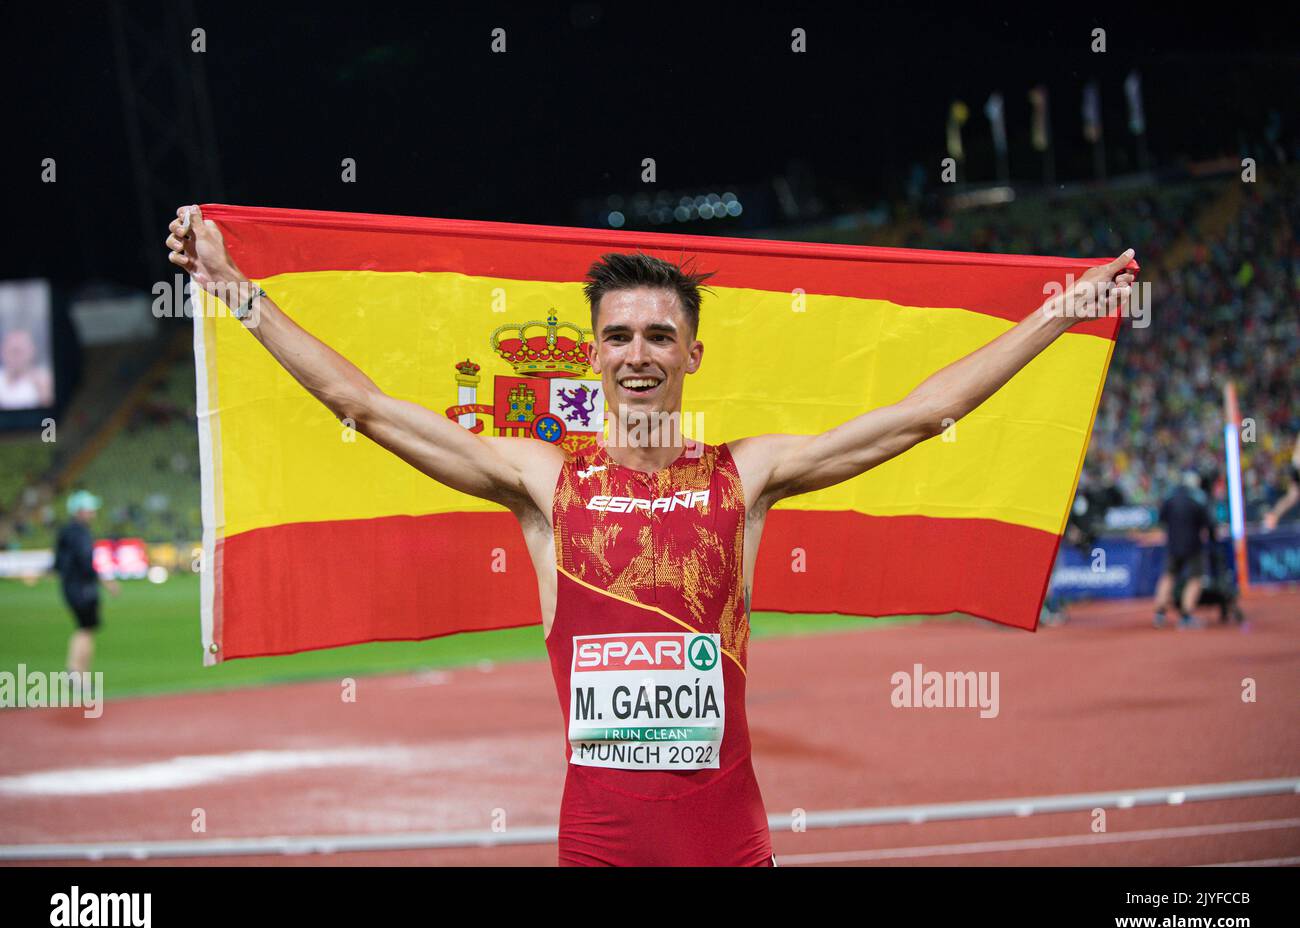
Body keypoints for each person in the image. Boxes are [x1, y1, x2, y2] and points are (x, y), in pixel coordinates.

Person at [167, 204, 1135, 866]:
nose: (638, 354)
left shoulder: (744, 476)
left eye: (658, 336)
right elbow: (363, 405)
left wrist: (1056, 314)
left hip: (730, 842)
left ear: (691, 354)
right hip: (598, 845)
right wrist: (231, 287)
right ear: (593, 352)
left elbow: (920, 416)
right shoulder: (541, 480)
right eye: (620, 336)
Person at [54, 490, 119, 675]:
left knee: (84, 628)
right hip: (83, 588)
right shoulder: (80, 533)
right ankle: (77, 671)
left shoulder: (65, 531)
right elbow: (85, 563)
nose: (93, 513)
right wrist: (106, 582)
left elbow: (57, 564)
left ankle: (77, 672)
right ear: (79, 511)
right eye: (90, 509)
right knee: (86, 629)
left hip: (70, 587)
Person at [1152, 471, 1213, 629]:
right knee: (1195, 578)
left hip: (1173, 544)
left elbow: (1161, 518)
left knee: (1168, 576)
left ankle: (1159, 614)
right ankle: (1186, 616)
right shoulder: (1198, 498)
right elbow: (1209, 523)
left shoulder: (1170, 497)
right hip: (1193, 545)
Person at [1262, 438, 1300, 530]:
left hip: (1296, 464)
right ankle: (1272, 516)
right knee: (1293, 496)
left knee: (1293, 496)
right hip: (1297, 465)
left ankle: (1273, 516)